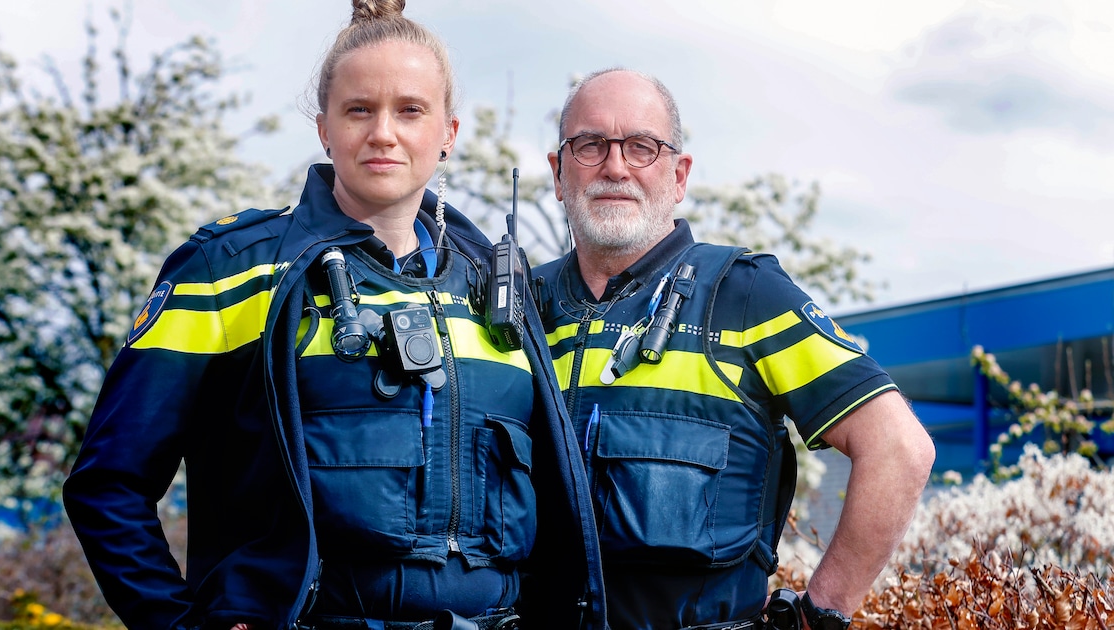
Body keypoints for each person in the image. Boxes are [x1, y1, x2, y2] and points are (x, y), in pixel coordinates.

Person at [62, 2, 605, 629]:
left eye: (410, 110)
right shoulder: (228, 271)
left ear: (448, 132)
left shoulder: (501, 294)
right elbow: (108, 486)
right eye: (358, 110)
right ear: (324, 128)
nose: (383, 133)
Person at [532, 68, 936, 630]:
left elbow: (898, 449)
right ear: (558, 172)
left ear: (679, 175)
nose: (615, 167)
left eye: (642, 147)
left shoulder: (746, 296)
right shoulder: (518, 308)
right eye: (590, 146)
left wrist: (818, 616)